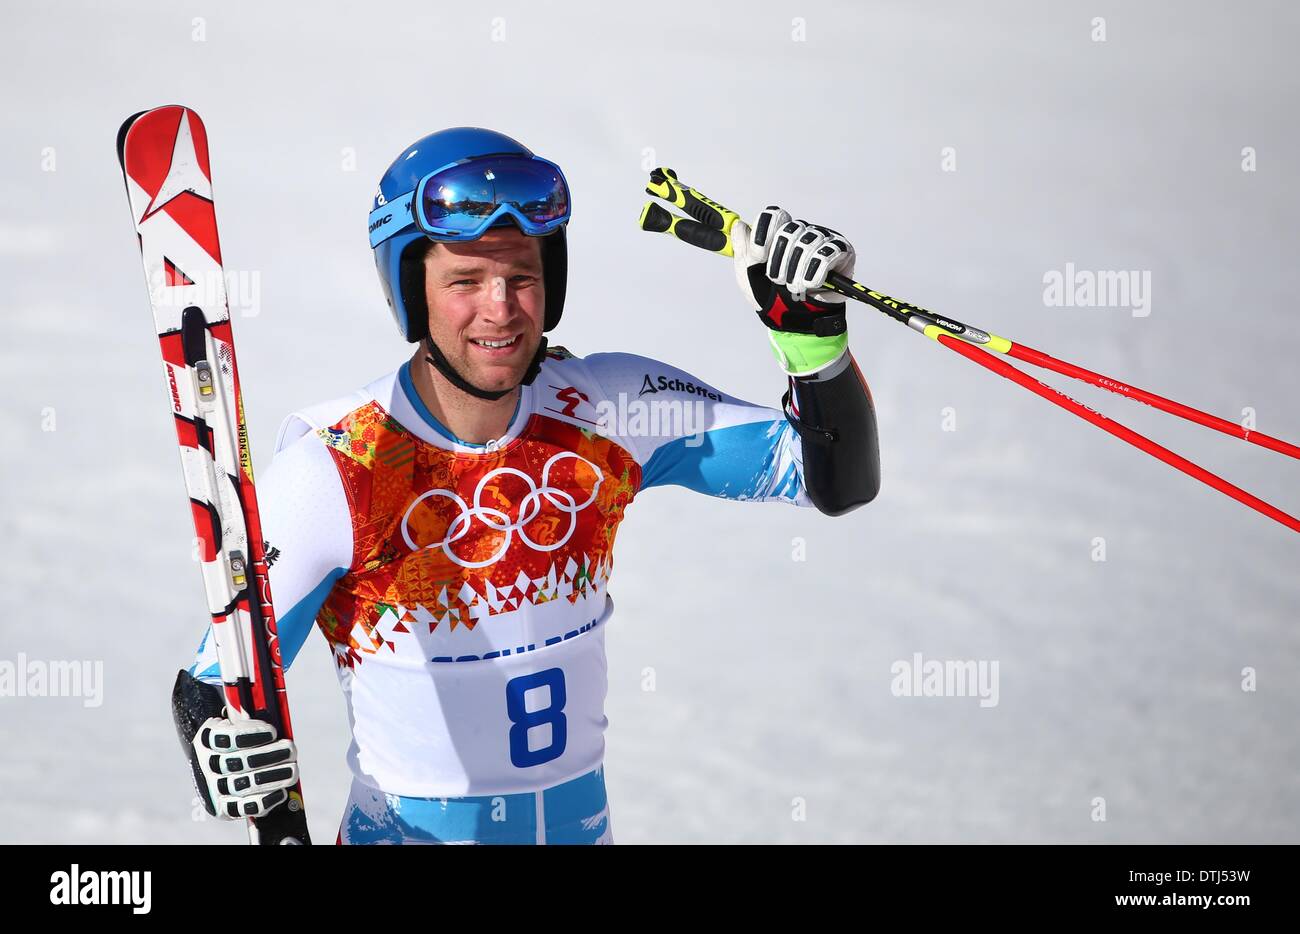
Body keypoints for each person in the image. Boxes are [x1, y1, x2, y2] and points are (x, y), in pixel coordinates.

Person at [170, 127, 881, 844]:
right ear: (410, 290)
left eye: (523, 276)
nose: (501, 308)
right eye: (465, 281)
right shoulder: (338, 469)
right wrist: (221, 750)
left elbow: (832, 479)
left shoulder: (609, 408)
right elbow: (217, 683)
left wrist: (812, 339)